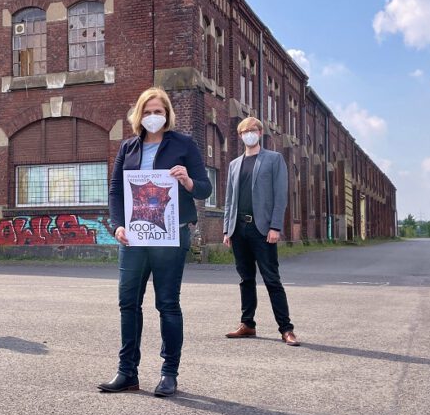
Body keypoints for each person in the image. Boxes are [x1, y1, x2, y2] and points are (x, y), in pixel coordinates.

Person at [99, 87, 211, 398]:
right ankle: (127, 372)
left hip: (170, 237)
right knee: (128, 303)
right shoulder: (129, 147)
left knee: (167, 304)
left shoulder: (183, 145)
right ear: (138, 115)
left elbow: (204, 188)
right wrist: (118, 225)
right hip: (133, 239)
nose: (152, 117)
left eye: (158, 111)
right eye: (147, 111)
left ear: (167, 115)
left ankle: (169, 373)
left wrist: (187, 180)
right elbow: (116, 191)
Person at [222, 116, 298, 346]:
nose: (249, 133)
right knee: (246, 279)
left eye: (253, 130)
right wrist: (227, 229)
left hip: (263, 229)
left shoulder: (274, 160)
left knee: (272, 279)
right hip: (239, 229)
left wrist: (276, 226)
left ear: (260, 132)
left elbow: (280, 196)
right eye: (245, 131)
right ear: (240, 135)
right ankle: (248, 324)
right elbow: (229, 200)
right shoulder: (234, 164)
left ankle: (286, 329)